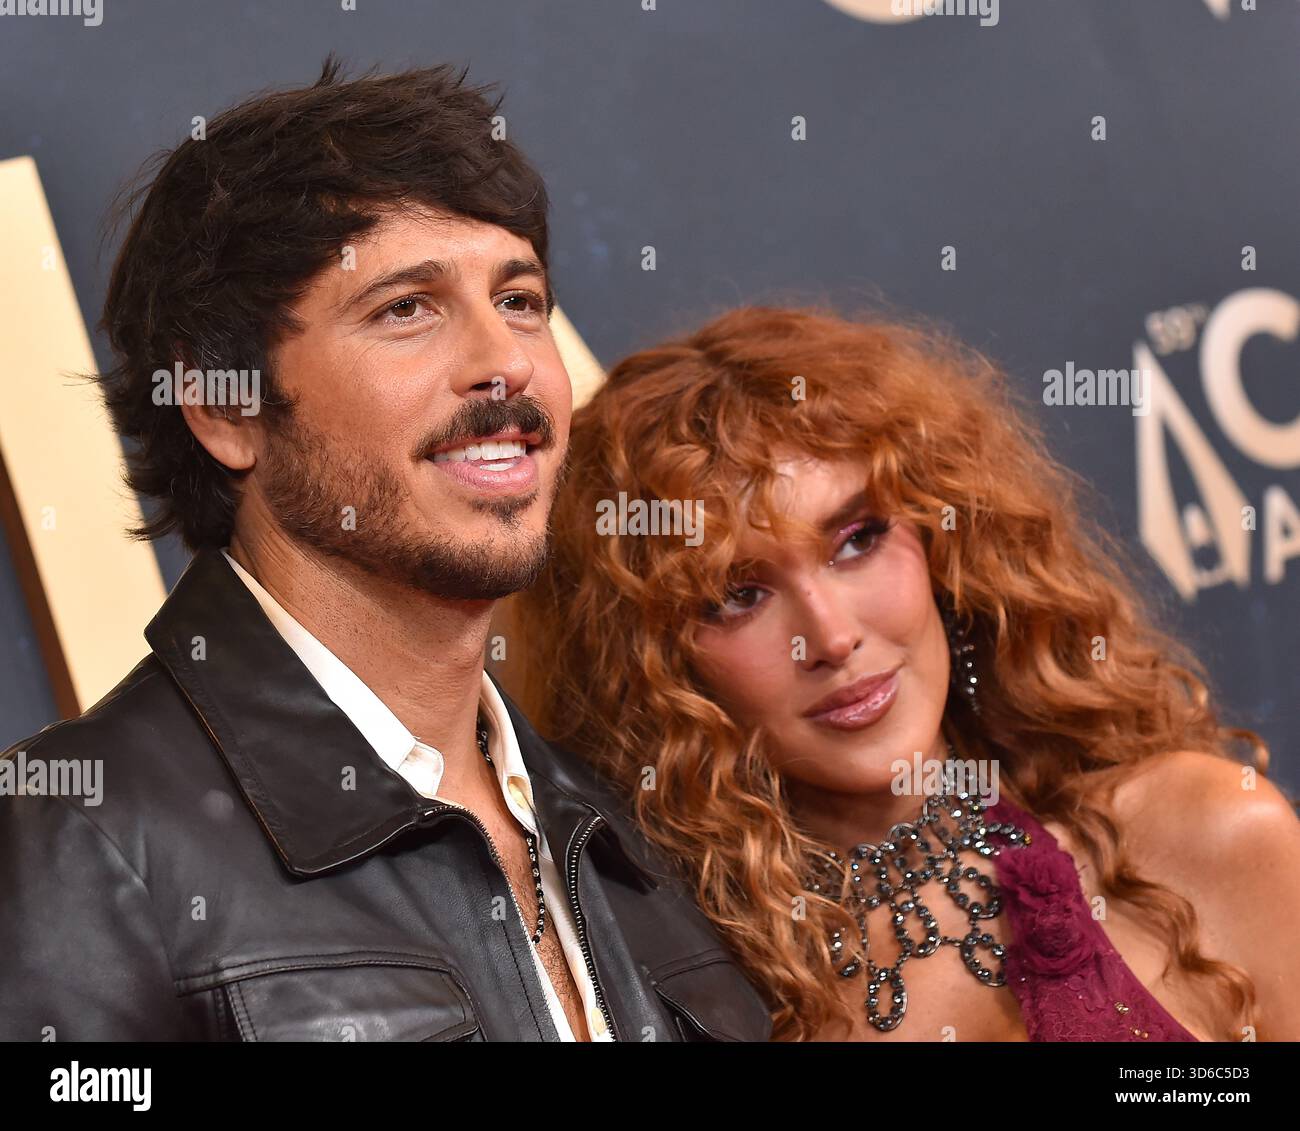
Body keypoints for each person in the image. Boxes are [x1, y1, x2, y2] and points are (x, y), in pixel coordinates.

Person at [0, 61, 771, 1043]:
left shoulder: (630, 830)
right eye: (407, 307)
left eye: (520, 300)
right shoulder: (79, 835)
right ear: (226, 408)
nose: (506, 362)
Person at [512, 304, 1300, 1042]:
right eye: (737, 594)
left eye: (856, 539)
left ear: (943, 540)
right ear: (653, 667)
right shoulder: (701, 1006)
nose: (832, 636)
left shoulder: (1204, 835)